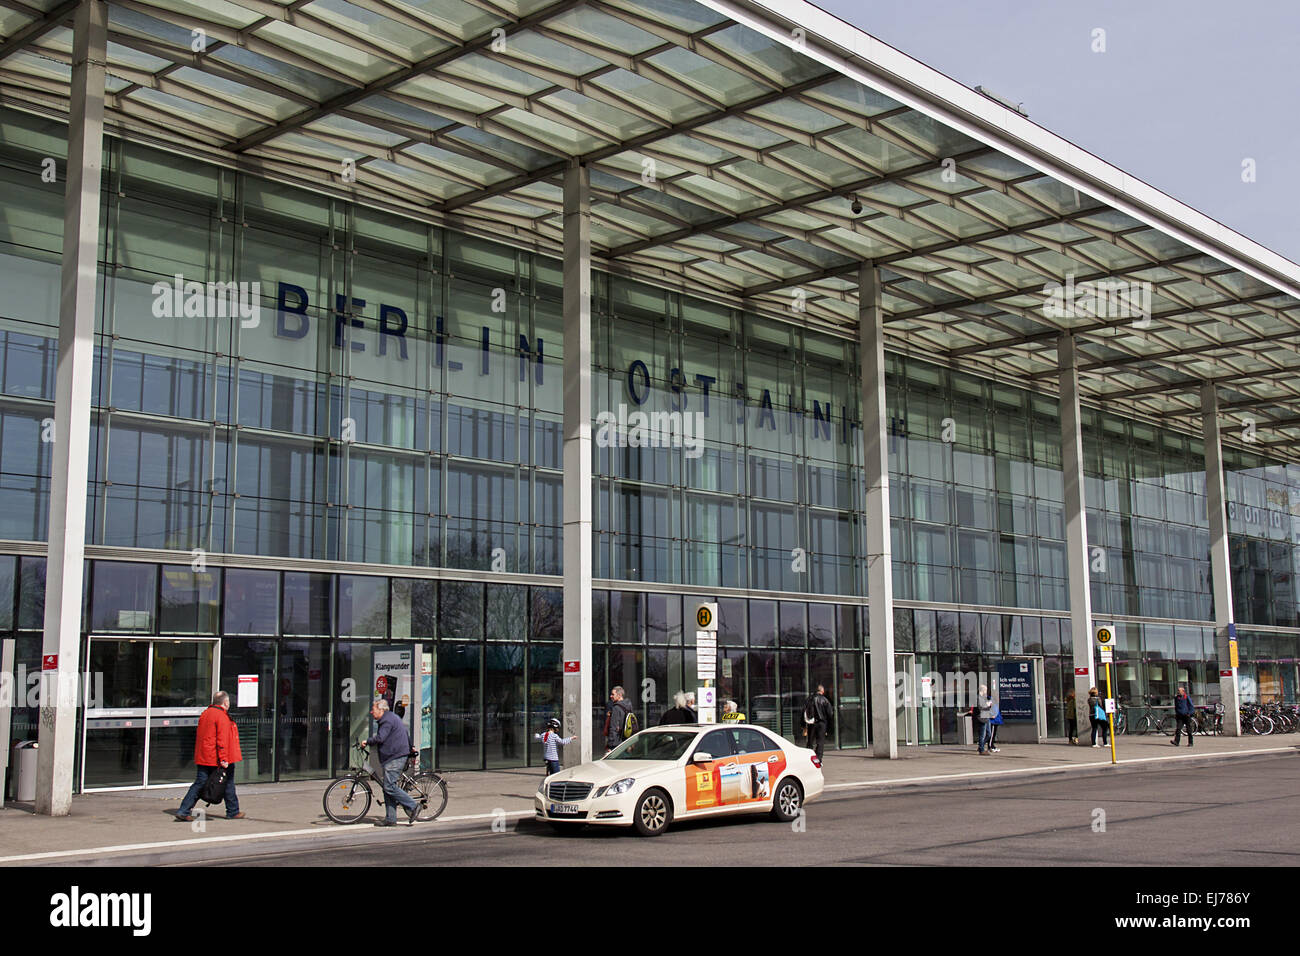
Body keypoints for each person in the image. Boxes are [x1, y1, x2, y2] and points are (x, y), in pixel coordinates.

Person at [175, 691, 244, 821]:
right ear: (225, 702)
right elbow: (222, 740)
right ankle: (233, 811)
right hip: (216, 757)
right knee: (228, 782)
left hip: (204, 756)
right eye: (228, 702)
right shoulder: (221, 716)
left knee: (200, 783)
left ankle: (184, 810)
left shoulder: (206, 713)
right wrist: (224, 758)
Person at [361, 697, 418, 827]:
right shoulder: (391, 716)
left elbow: (381, 738)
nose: (371, 712)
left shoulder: (386, 720)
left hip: (395, 756)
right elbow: (405, 731)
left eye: (373, 709)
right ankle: (391, 818)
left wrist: (367, 741)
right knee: (387, 787)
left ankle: (413, 806)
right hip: (396, 754)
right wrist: (410, 746)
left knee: (389, 786)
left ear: (381, 710)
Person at [801, 685, 834, 761]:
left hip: (811, 723)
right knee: (820, 742)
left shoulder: (809, 699)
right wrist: (829, 726)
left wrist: (803, 725)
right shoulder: (824, 700)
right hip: (822, 723)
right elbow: (830, 713)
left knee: (810, 742)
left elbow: (803, 711)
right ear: (822, 691)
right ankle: (818, 759)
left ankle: (809, 758)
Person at [603, 686, 635, 755]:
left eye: (613, 694)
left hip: (617, 745)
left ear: (620, 695)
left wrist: (610, 746)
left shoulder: (616, 708)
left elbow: (613, 728)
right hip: (627, 743)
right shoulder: (629, 706)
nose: (610, 696)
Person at [977, 685, 995, 755]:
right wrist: (987, 706)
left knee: (989, 734)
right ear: (983, 690)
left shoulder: (983, 698)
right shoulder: (978, 698)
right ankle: (981, 749)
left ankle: (981, 746)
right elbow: (980, 708)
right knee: (982, 734)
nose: (986, 692)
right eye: (985, 690)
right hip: (982, 717)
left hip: (986, 717)